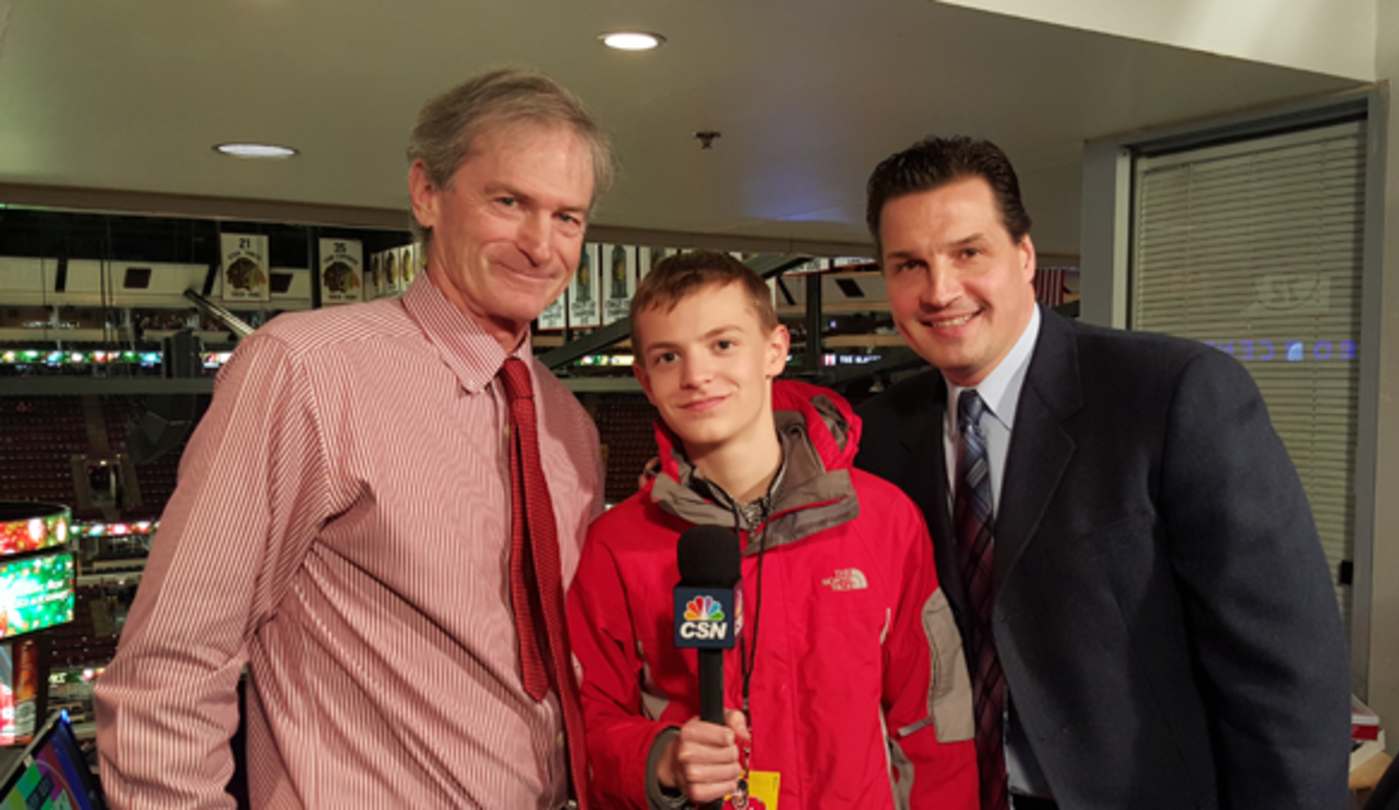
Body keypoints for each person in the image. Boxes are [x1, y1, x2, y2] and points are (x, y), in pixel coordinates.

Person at [94, 69, 613, 808]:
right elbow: (168, 673)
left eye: (568, 218)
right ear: (426, 193)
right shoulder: (306, 369)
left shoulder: (569, 428)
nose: (541, 245)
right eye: (509, 202)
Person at [854, 136, 1351, 810]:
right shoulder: (878, 435)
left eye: (968, 253)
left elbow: (1286, 669)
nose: (940, 291)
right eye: (910, 264)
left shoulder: (1171, 394)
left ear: (1024, 257)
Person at [566, 251, 979, 809]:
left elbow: (933, 719)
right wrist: (661, 757)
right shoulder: (618, 546)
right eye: (668, 356)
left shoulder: (883, 520)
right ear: (645, 379)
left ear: (775, 350)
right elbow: (590, 720)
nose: (696, 376)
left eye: (722, 344)